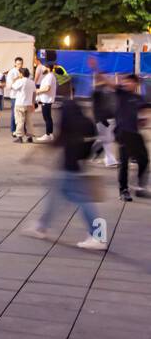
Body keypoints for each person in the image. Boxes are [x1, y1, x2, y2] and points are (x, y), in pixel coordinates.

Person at [25, 95, 106, 250]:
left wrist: (35, 155)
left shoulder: (69, 125)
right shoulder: (87, 122)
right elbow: (95, 145)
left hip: (70, 169)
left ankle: (99, 236)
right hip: (79, 166)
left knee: (83, 202)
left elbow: (58, 141)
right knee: (56, 196)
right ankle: (41, 226)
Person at [114, 72, 148, 202]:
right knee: (124, 162)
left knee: (144, 160)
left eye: (130, 81)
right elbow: (110, 84)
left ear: (136, 84)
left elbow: (142, 113)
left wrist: (142, 120)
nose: (127, 83)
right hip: (123, 133)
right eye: (126, 81)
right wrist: (96, 68)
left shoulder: (139, 98)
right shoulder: (121, 94)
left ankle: (139, 188)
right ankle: (123, 190)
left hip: (135, 134)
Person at [10, 67, 37, 143]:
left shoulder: (20, 81)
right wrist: (33, 102)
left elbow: (12, 86)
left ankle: (19, 136)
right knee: (29, 120)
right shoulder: (31, 82)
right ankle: (30, 137)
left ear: (21, 74)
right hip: (29, 103)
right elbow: (34, 93)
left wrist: (16, 79)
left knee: (20, 120)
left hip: (20, 103)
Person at [35, 61, 57, 142]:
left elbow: (47, 88)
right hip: (47, 99)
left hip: (47, 100)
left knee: (47, 118)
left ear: (47, 68)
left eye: (44, 67)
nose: (42, 68)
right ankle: (50, 134)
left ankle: (48, 134)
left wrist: (38, 91)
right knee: (48, 118)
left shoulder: (49, 76)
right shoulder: (49, 76)